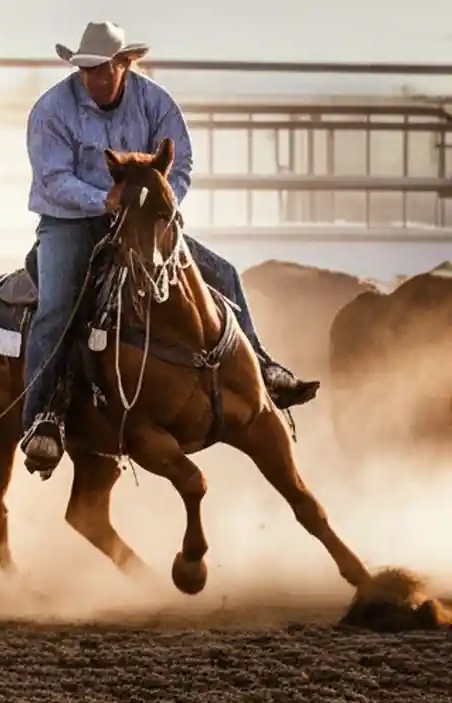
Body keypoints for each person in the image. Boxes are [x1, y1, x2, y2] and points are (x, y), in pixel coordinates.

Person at [19, 21, 318, 467]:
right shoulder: (52, 109)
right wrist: (105, 201)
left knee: (223, 274)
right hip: (72, 221)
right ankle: (41, 416)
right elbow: (53, 178)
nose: (93, 78)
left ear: (124, 64)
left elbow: (181, 165)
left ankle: (263, 367)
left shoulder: (155, 102)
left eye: (102, 69)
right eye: (86, 70)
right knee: (57, 306)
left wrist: (160, 202)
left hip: (142, 220)